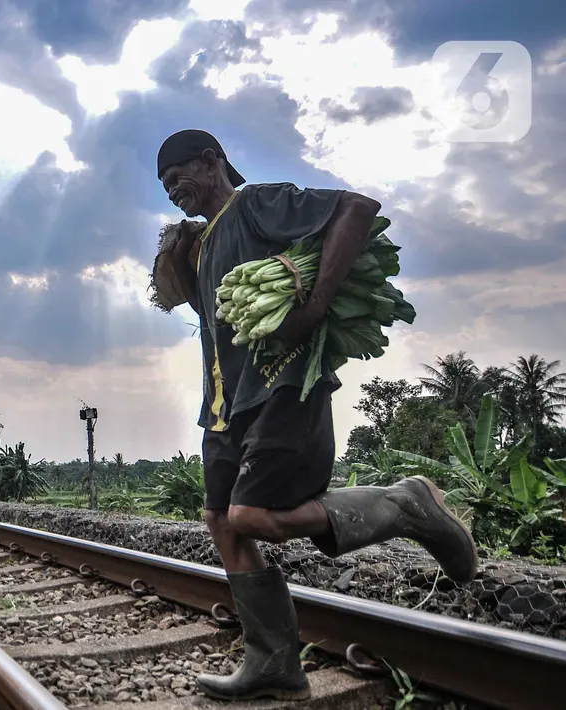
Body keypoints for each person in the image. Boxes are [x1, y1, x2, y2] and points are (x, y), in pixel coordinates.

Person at [155, 129, 479, 701]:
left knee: (251, 515)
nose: (171, 190)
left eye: (176, 177)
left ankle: (403, 504)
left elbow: (356, 208)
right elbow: (217, 323)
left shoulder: (255, 203)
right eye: (163, 186)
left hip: (282, 387)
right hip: (224, 406)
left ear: (211, 162)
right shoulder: (204, 242)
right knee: (222, 522)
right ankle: (274, 664)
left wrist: (316, 303)